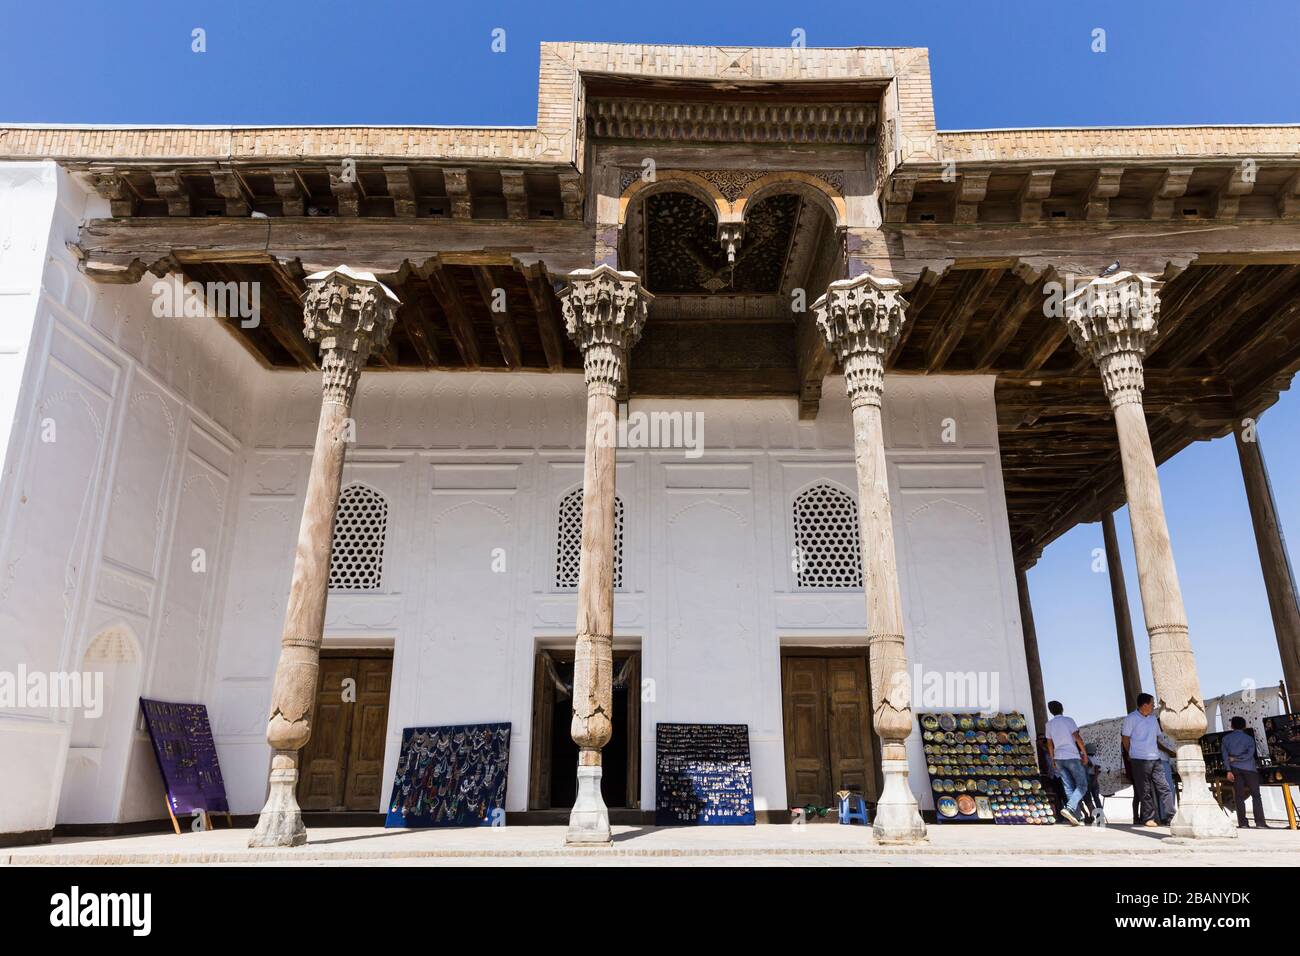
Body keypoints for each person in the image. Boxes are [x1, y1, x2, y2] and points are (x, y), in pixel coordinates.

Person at [1121, 693, 1174, 827]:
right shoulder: (1130, 719)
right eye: (1152, 703)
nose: (1154, 706)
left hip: (1155, 758)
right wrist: (1130, 753)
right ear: (1144, 705)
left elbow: (1156, 738)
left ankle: (1171, 816)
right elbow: (1125, 739)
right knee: (1144, 791)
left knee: (1165, 787)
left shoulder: (1152, 719)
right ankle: (1148, 818)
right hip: (1139, 759)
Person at [1045, 700, 1089, 826]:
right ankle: (1069, 808)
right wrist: (1084, 753)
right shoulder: (1069, 720)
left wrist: (1053, 759)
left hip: (1059, 758)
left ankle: (1077, 817)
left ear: (1050, 711)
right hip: (1072, 756)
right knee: (1082, 785)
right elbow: (1077, 737)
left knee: (1068, 787)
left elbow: (1049, 743)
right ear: (1062, 709)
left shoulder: (1049, 724)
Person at [1222, 716, 1269, 829]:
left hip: (1234, 769)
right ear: (1244, 726)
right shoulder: (1248, 739)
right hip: (1249, 769)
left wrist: (1228, 770)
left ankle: (1242, 823)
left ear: (1232, 726)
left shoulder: (1226, 739)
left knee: (1239, 796)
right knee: (1256, 795)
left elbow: (1225, 756)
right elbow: (1250, 754)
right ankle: (1260, 823)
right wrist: (1239, 759)